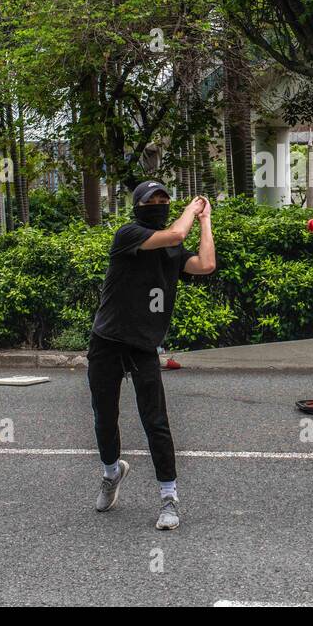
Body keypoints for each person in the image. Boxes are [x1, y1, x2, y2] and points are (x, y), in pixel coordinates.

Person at [88, 180, 216, 530]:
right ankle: (112, 473)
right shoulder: (128, 234)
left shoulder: (172, 252)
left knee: (155, 421)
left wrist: (205, 220)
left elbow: (206, 264)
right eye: (152, 200)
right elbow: (175, 234)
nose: (158, 204)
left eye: (163, 199)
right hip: (108, 340)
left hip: (143, 344)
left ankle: (169, 498)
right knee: (104, 415)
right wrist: (190, 210)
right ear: (138, 205)